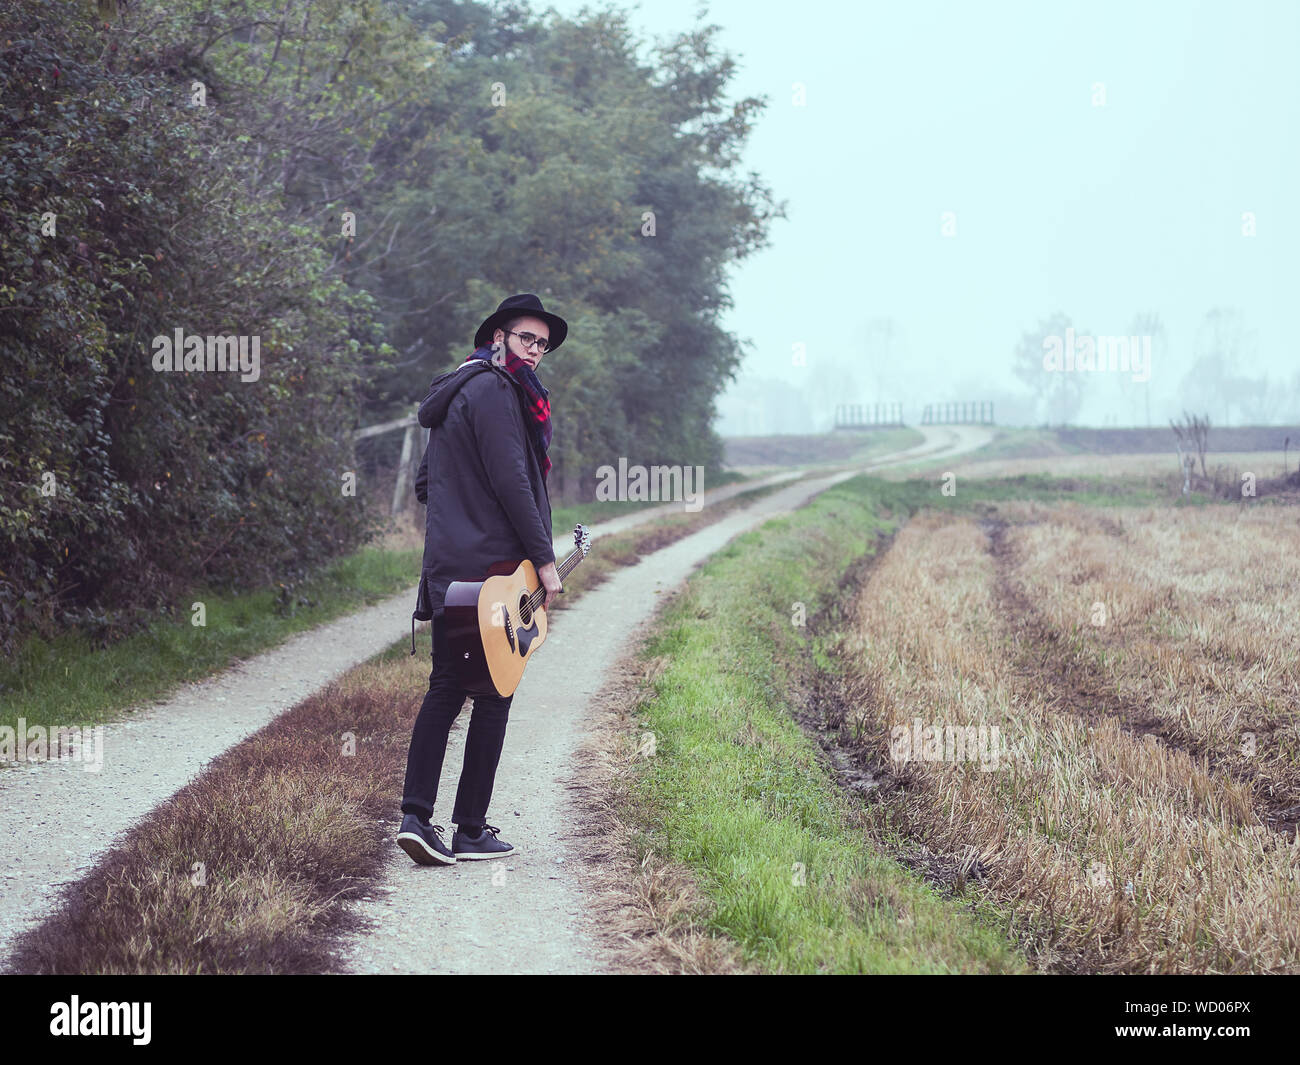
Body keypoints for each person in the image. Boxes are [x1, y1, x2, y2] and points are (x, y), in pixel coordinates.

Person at [395, 293, 566, 865]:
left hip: (451, 571)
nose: (536, 351)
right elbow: (515, 482)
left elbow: (427, 485)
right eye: (526, 339)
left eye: (542, 344)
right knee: (494, 694)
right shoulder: (496, 392)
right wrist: (544, 559)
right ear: (499, 337)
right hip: (491, 573)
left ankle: (417, 819)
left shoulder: (457, 391)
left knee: (447, 687)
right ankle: (468, 829)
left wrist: (462, 515)